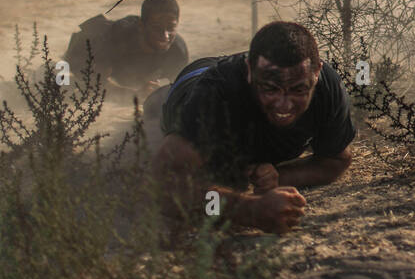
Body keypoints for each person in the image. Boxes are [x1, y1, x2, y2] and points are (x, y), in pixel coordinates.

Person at [150, 21, 355, 234]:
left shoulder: (327, 88)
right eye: (270, 89)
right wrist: (248, 209)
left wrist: (279, 176)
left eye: (298, 90)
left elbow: (336, 161)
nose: (284, 104)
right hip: (191, 82)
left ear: (316, 73)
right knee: (156, 107)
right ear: (249, 71)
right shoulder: (215, 97)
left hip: (237, 71)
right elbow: (163, 188)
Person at [62, 0, 188, 102]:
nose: (165, 35)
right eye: (156, 27)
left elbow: (179, 90)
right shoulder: (116, 41)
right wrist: (133, 95)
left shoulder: (178, 52)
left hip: (127, 73)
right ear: (141, 26)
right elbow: (96, 86)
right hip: (83, 51)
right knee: (65, 85)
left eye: (171, 28)